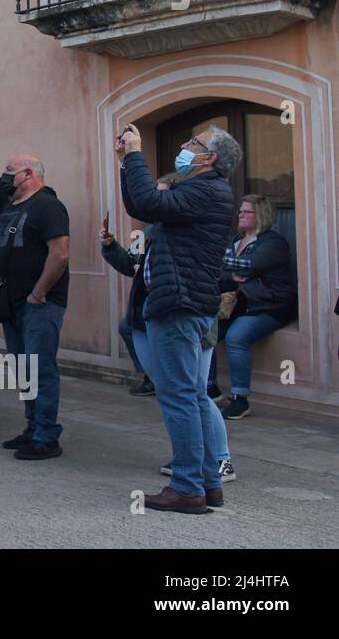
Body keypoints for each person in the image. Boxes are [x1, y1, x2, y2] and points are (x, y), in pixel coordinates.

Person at [120, 122, 238, 514]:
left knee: (180, 398)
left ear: (210, 158)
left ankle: (187, 486)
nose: (185, 145)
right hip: (184, 304)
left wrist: (136, 153)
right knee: (188, 395)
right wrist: (127, 164)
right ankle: (207, 483)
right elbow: (142, 204)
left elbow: (147, 205)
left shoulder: (206, 190)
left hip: (179, 306)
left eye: (194, 142)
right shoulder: (203, 190)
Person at [0, 154, 70, 460]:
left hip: (40, 303)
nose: (3, 177)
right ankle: (33, 425)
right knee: (24, 368)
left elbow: (60, 253)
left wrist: (38, 293)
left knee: (40, 368)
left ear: (28, 173)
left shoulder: (48, 205)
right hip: (11, 301)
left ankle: (47, 436)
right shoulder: (13, 206)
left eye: (9, 171)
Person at [211, 194, 295, 420]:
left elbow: (252, 264)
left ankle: (240, 399)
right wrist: (232, 272)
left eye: (246, 211)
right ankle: (210, 390)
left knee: (236, 337)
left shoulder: (273, 242)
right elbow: (219, 273)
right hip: (235, 306)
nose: (240, 214)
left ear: (261, 215)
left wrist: (230, 267)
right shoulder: (235, 242)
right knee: (203, 331)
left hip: (269, 305)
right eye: (240, 211)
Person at [100, 173, 181, 397]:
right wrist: (110, 246)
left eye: (162, 193)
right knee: (127, 327)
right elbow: (129, 263)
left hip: (172, 305)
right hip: (145, 301)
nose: (157, 199)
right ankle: (151, 376)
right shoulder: (147, 230)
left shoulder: (184, 230)